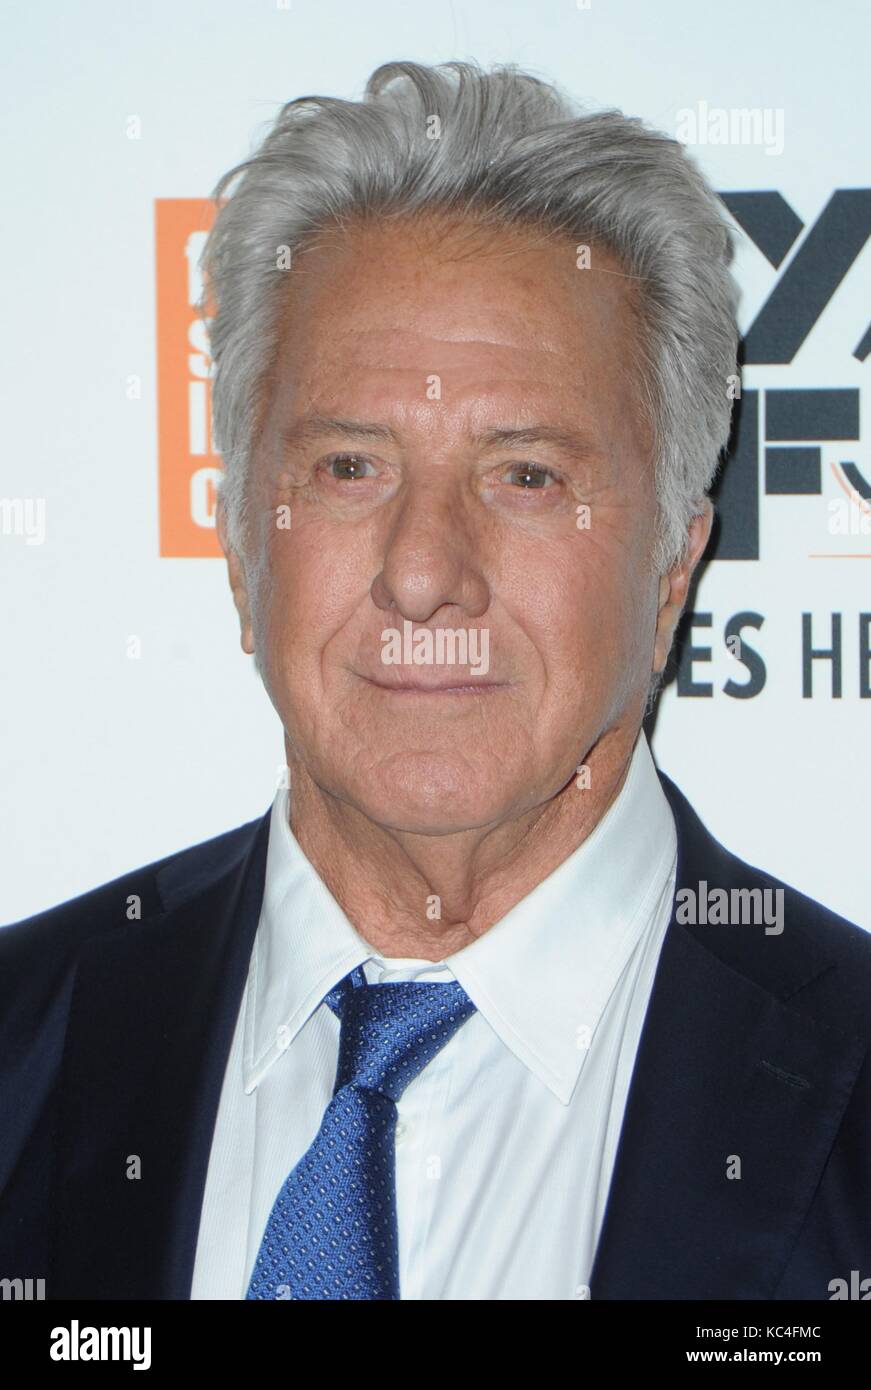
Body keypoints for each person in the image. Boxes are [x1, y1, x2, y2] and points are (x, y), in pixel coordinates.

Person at [1, 59, 869, 1302]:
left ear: (673, 569)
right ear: (246, 545)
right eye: (350, 465)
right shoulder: (23, 1040)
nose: (422, 575)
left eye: (526, 476)